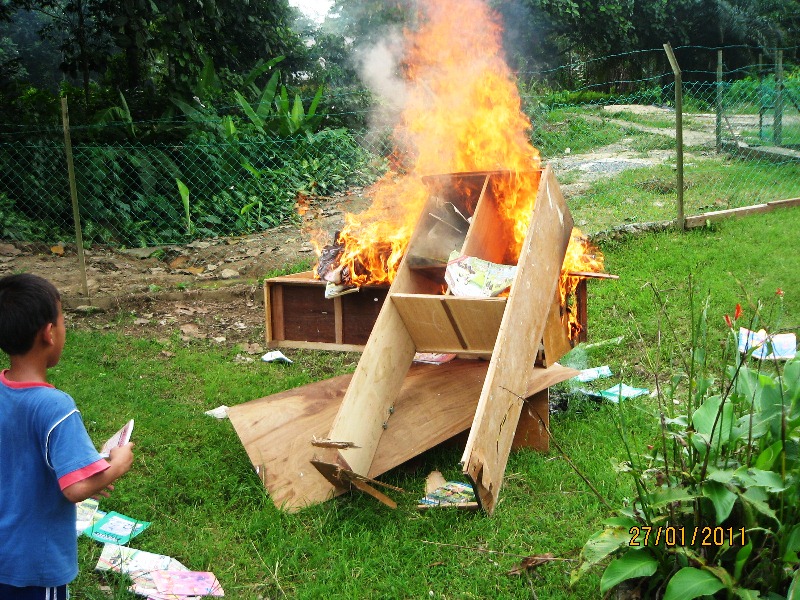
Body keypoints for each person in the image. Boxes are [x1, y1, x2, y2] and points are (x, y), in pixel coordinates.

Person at [0, 273, 134, 598]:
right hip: (35, 565)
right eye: (62, 320)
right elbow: (75, 489)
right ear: (49, 333)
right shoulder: (56, 408)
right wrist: (117, 464)